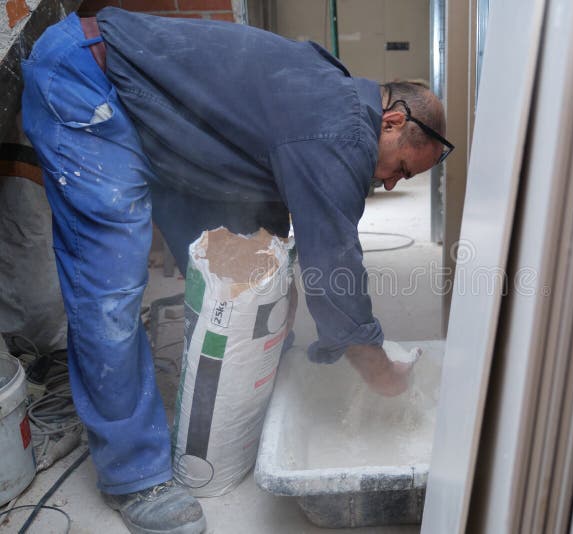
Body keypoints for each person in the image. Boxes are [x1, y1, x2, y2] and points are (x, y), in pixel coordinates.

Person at [21, 7, 452, 534]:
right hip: (86, 79)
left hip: (155, 111)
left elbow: (263, 200)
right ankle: (134, 475)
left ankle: (236, 381)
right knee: (109, 287)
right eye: (402, 169)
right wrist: (371, 360)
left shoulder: (329, 97)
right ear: (392, 121)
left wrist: (273, 315)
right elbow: (332, 258)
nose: (390, 184)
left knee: (246, 265)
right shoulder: (340, 129)